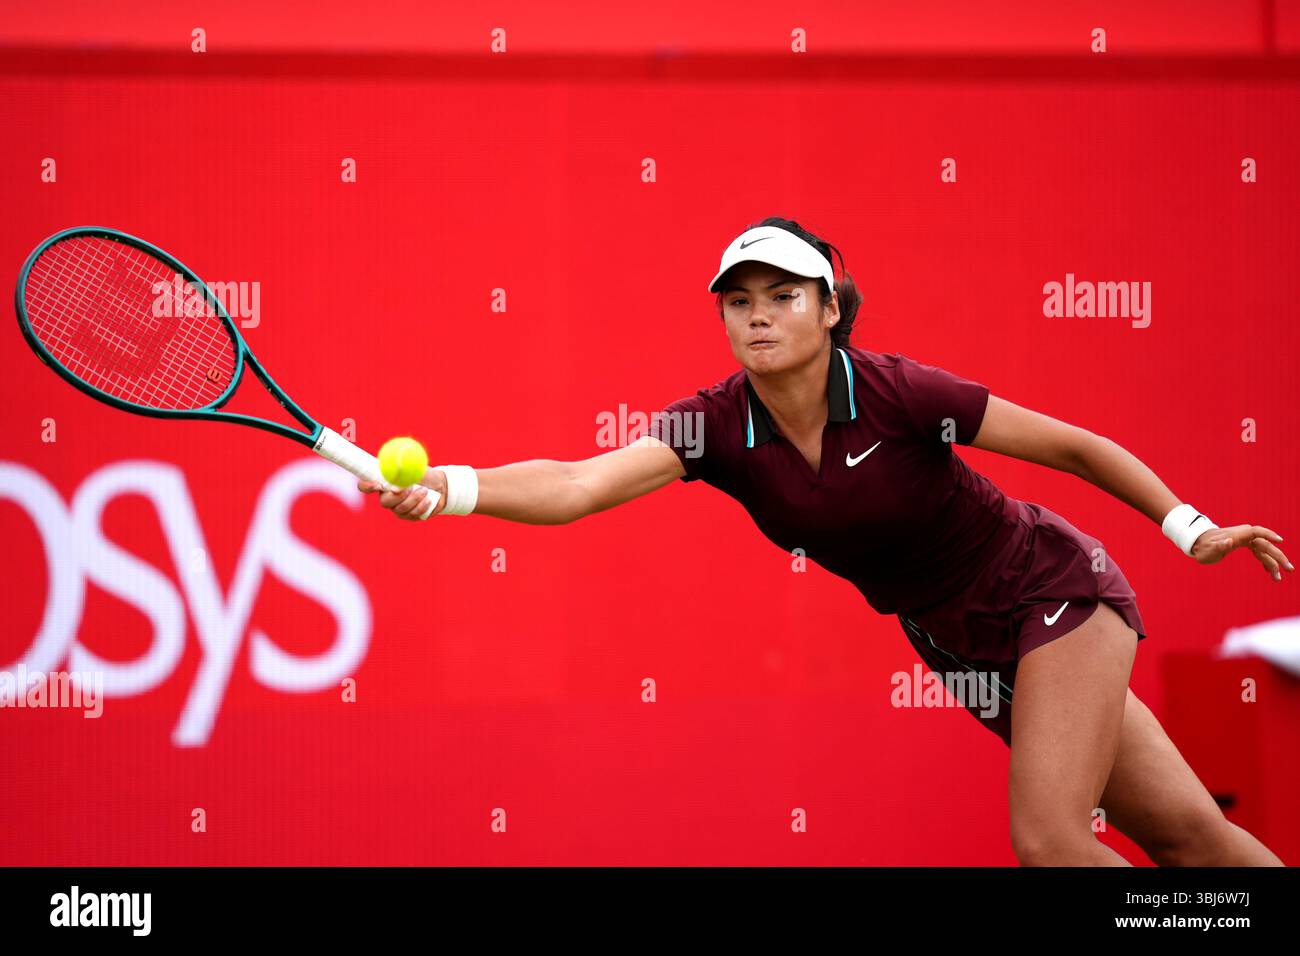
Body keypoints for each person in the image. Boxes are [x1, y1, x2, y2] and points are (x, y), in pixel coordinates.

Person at [359, 216, 1290, 866]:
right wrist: (453, 490)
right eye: (737, 301)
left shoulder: (900, 393)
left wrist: (1191, 528)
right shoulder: (715, 428)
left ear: (830, 307)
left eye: (782, 295)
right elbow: (574, 483)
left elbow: (1074, 447)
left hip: (1052, 593)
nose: (756, 315)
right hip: (955, 640)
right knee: (1190, 842)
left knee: (1050, 844)